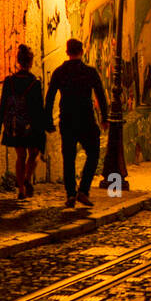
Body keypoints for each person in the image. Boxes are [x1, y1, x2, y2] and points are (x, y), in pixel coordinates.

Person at [46, 38, 108, 209]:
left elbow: (50, 98)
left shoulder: (59, 72)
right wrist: (104, 117)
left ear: (67, 52)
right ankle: (83, 190)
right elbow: (100, 95)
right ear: (82, 51)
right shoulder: (90, 72)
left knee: (69, 158)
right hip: (86, 119)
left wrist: (48, 121)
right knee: (94, 154)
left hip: (67, 120)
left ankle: (71, 194)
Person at [0, 44, 47, 200]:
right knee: (33, 154)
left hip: (14, 125)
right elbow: (39, 109)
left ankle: (21, 191)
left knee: (20, 155)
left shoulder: (9, 81)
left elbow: (3, 103)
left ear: (18, 61)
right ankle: (27, 178)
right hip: (30, 126)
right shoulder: (35, 83)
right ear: (30, 62)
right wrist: (43, 128)